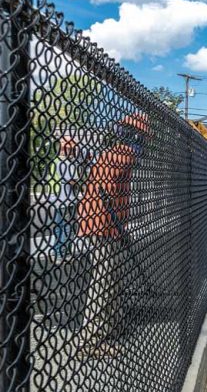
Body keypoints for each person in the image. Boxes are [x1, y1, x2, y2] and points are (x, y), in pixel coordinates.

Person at [77, 113, 149, 358]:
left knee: (113, 279)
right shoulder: (122, 155)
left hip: (108, 226)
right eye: (141, 137)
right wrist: (117, 226)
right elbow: (104, 194)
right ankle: (92, 340)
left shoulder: (114, 153)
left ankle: (113, 325)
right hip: (102, 225)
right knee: (103, 283)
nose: (142, 144)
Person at [48, 135, 82, 259]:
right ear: (66, 149)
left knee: (58, 226)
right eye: (72, 149)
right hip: (67, 200)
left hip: (57, 199)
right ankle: (62, 253)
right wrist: (80, 180)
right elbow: (72, 181)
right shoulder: (66, 162)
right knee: (67, 227)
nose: (74, 152)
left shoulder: (55, 161)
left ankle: (56, 251)